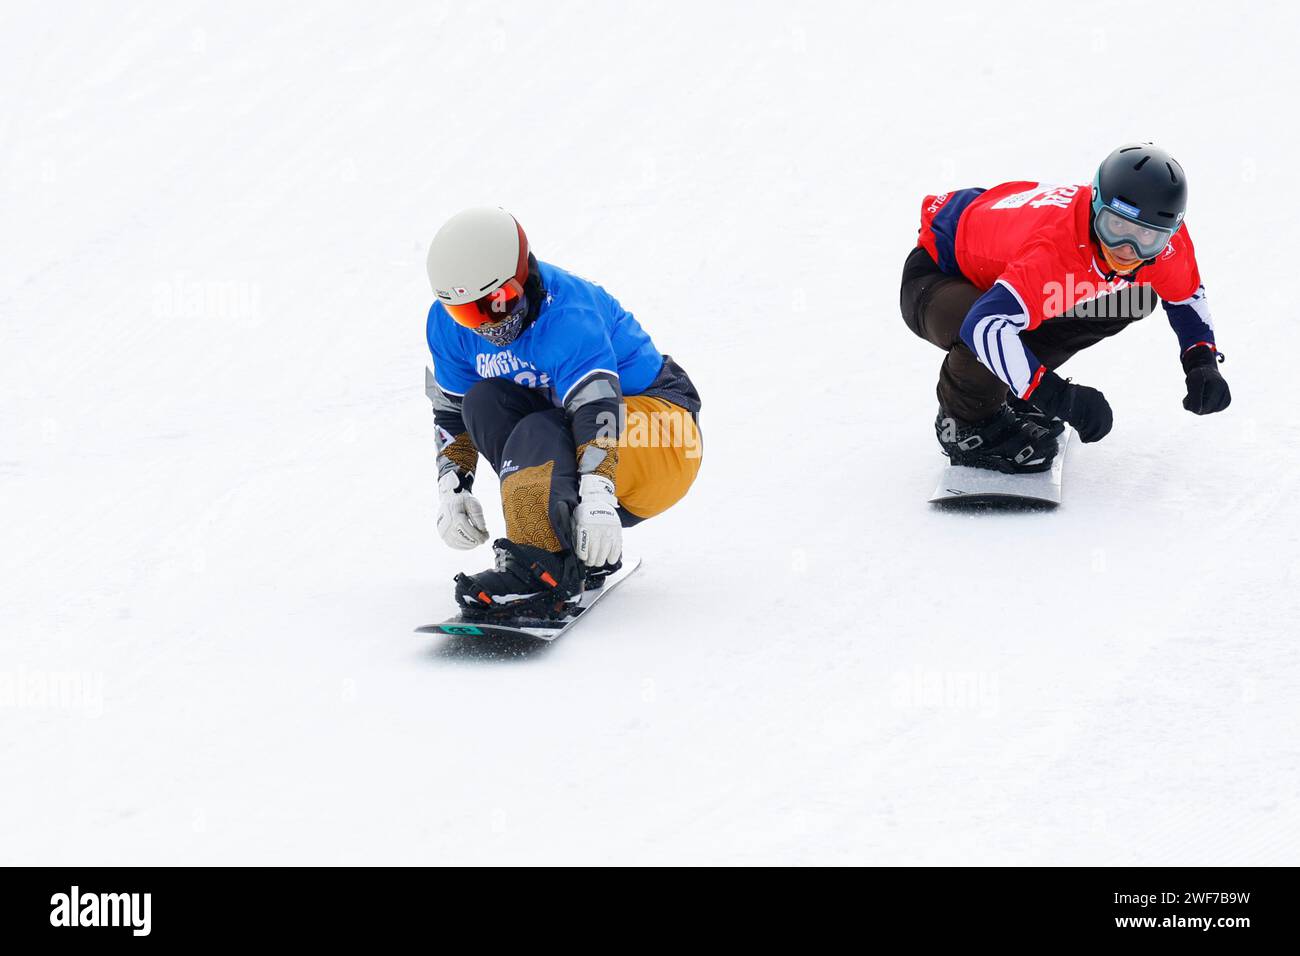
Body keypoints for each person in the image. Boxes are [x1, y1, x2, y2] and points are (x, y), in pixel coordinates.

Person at [424, 208, 702, 617]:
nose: (487, 327)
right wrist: (453, 487)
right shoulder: (447, 329)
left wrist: (598, 493)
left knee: (542, 425)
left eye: (497, 304)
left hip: (665, 434)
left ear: (525, 274)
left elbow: (596, 408)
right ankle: (558, 554)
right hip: (584, 435)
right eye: (469, 314)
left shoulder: (568, 312)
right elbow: (452, 412)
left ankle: (542, 571)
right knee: (483, 402)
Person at [900, 142, 1231, 473]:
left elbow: (1185, 296)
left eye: (1147, 238)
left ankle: (1012, 381)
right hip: (938, 273)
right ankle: (965, 423)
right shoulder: (1056, 250)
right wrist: (1055, 395)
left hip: (1007, 264)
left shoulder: (1167, 241)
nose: (1127, 250)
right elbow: (985, 325)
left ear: (1169, 233)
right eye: (1115, 227)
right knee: (985, 328)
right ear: (1095, 205)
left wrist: (1201, 361)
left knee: (1130, 299)